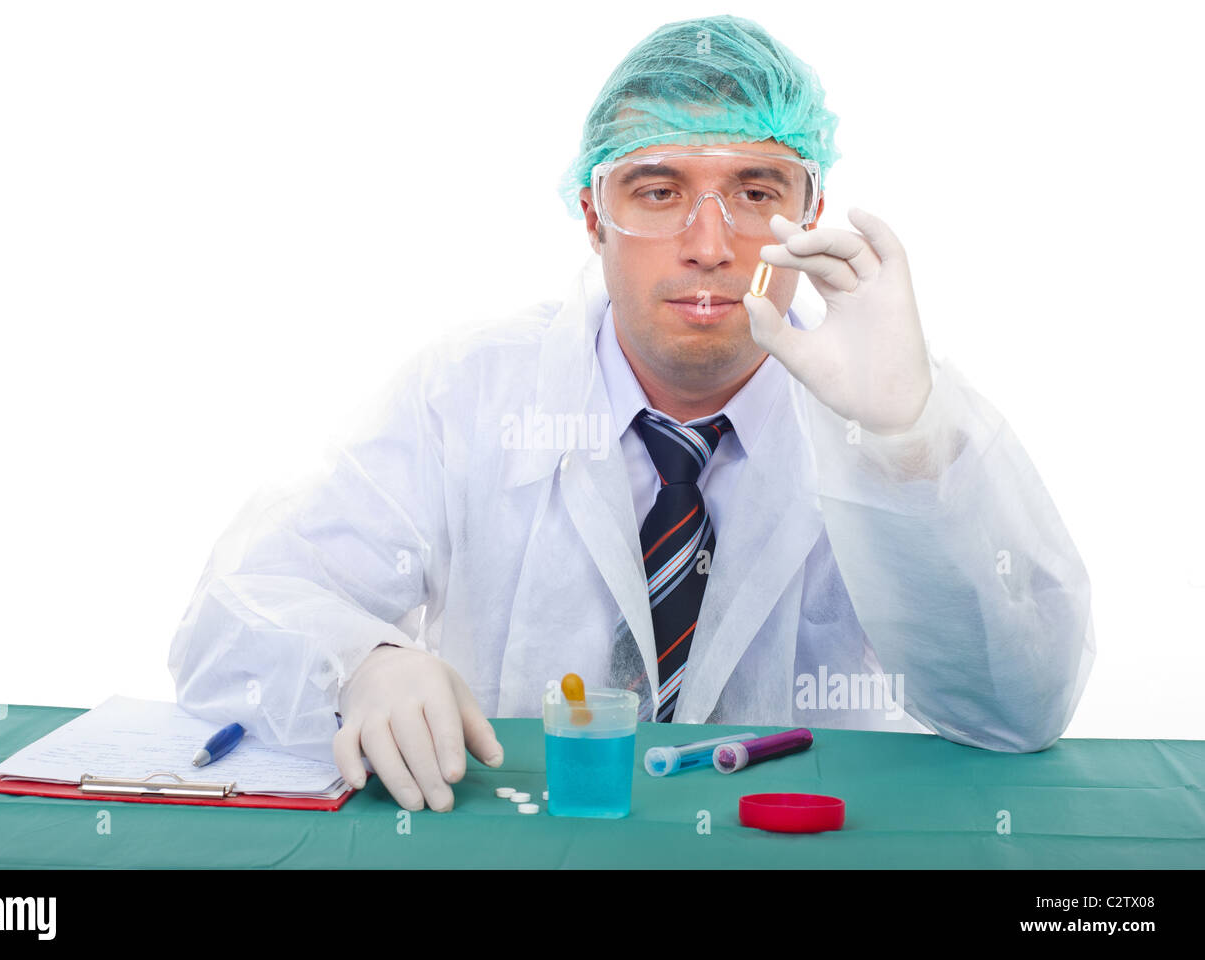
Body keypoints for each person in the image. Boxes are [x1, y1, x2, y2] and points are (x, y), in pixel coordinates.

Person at [168, 14, 1094, 812]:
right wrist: (361, 660)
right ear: (591, 214)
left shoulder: (882, 395)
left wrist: (908, 446)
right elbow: (235, 616)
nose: (708, 244)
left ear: (812, 209)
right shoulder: (470, 392)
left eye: (756, 192)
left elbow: (1016, 712)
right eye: (658, 192)